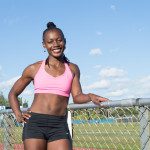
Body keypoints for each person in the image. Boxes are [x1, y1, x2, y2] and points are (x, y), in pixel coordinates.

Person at [8, 21, 108, 150]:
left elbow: (77, 97)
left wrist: (91, 96)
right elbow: (13, 94)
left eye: (59, 40)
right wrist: (18, 114)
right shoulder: (34, 68)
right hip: (35, 123)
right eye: (50, 42)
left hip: (59, 125)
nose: (55, 44)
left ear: (65, 41)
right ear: (44, 45)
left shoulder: (72, 69)